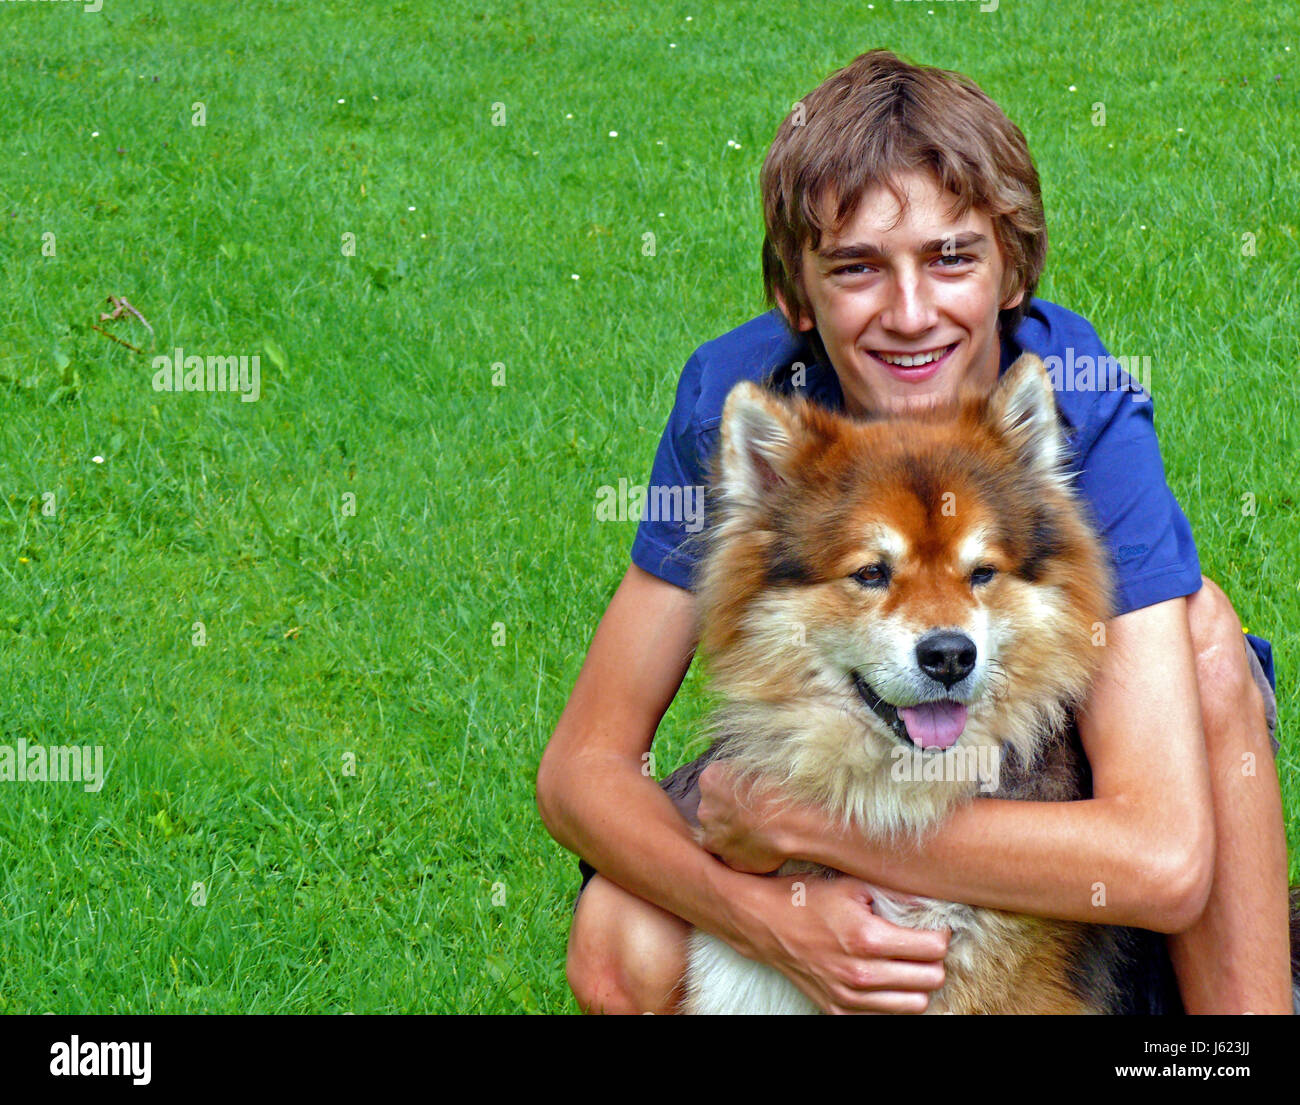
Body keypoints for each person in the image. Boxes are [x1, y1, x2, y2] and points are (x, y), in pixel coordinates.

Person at [535, 49, 1289, 1015]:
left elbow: (1165, 859)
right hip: (844, 741)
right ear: (796, 295)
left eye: (951, 257)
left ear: (1010, 270)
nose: (909, 312)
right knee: (617, 942)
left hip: (1073, 768)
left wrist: (804, 822)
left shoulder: (1072, 403)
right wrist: (770, 918)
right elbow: (581, 771)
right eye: (857, 267)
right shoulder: (756, 411)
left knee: (1204, 634)